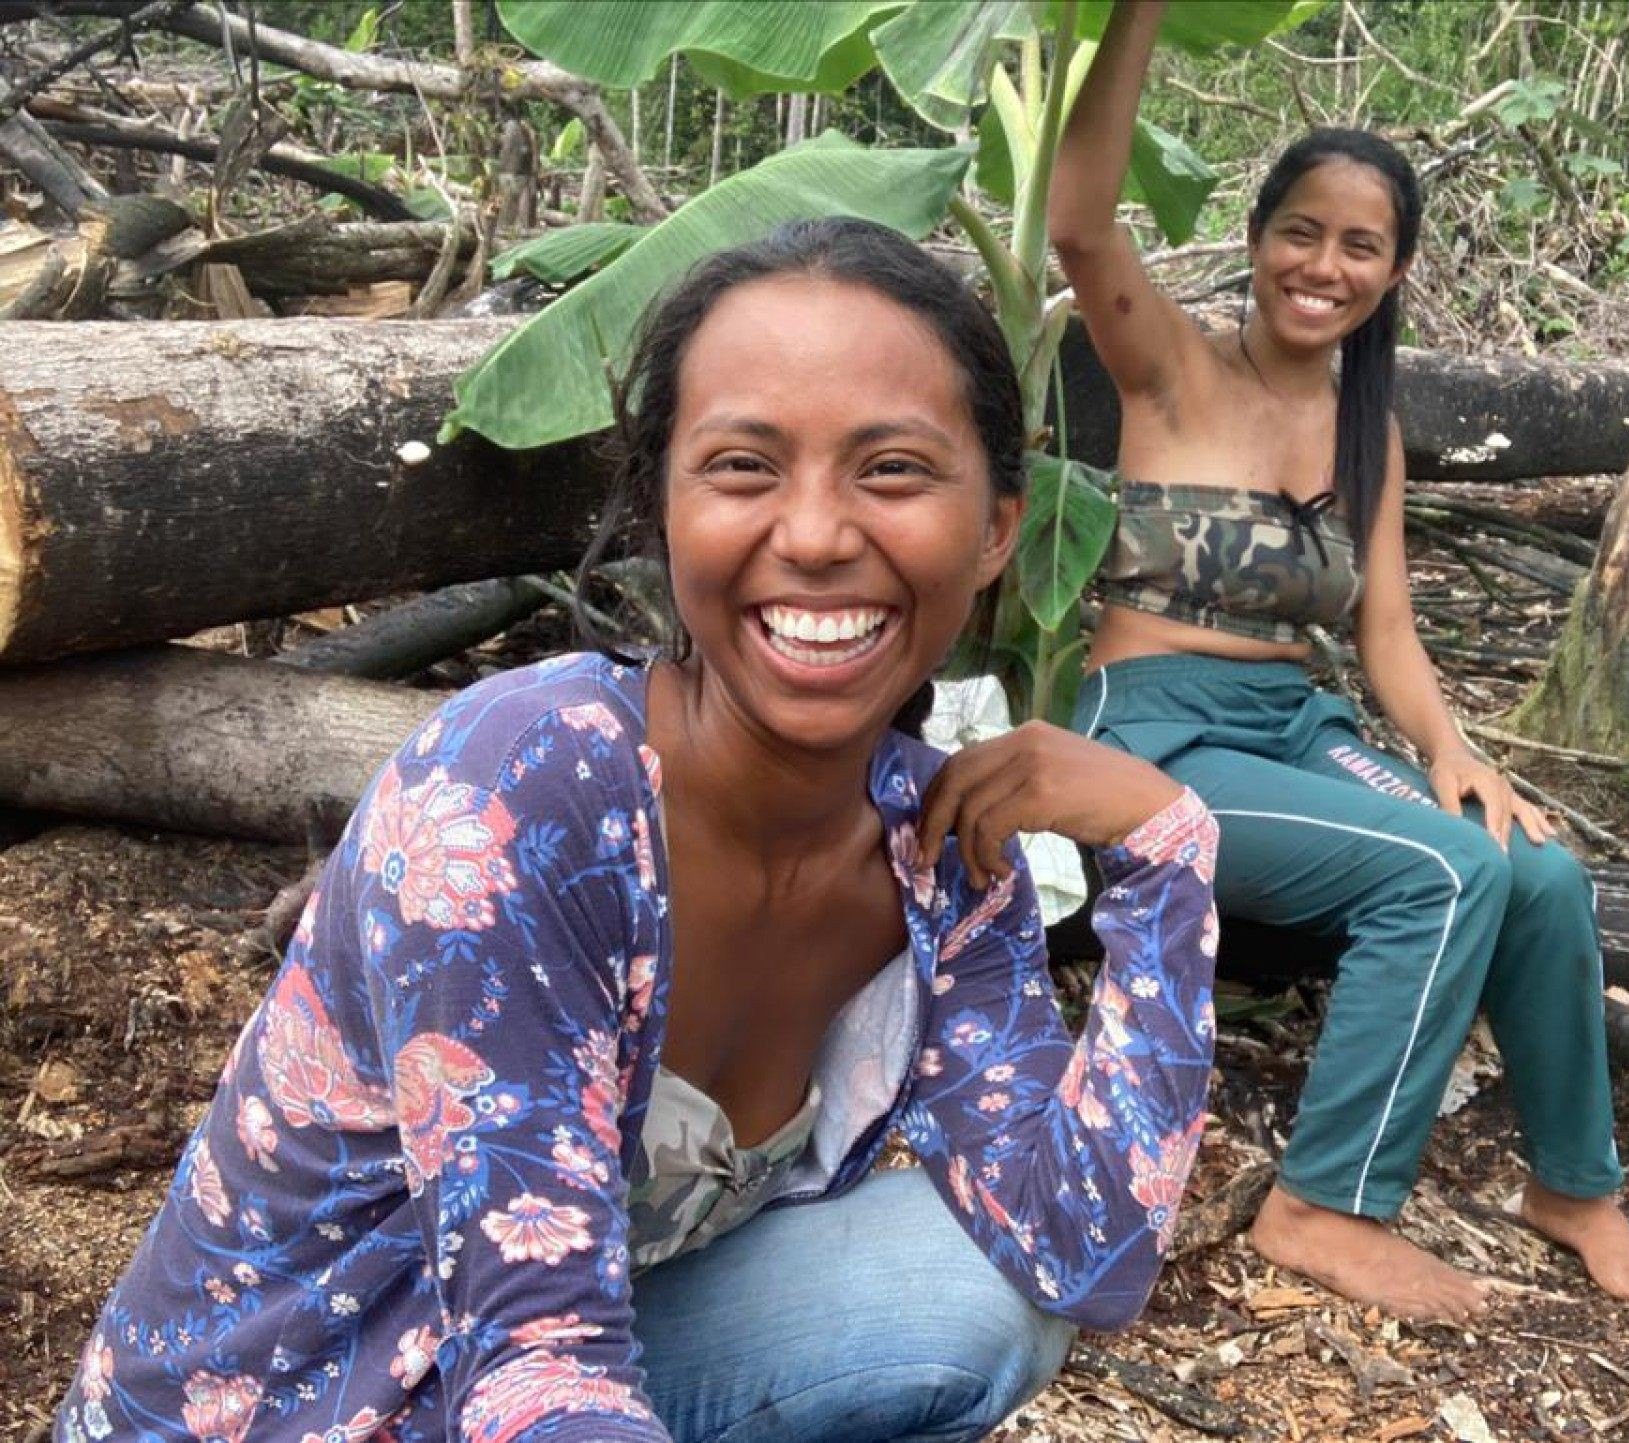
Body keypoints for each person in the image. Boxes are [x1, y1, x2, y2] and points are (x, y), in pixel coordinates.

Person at [58, 218, 1222, 1443]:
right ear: (662, 506)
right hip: (293, 1411)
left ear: (995, 526)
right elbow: (533, 1356)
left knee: (975, 1299)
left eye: (891, 469)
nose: (818, 535)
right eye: (742, 467)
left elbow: (1077, 1250)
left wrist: (1171, 853)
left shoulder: (938, 856)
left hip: (559, 1377)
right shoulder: (518, 797)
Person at [1048, 0, 1629, 1323]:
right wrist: (1136, 14)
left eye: (1360, 245)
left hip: (1290, 724)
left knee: (1539, 866)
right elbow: (1078, 219)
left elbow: (1383, 631)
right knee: (1440, 873)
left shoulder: (1363, 431)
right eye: (1302, 231)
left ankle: (1575, 1185)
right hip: (1148, 735)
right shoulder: (1171, 365)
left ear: (1392, 273)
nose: (1323, 264)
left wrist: (1454, 747)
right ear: (1257, 237)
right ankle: (1323, 1207)